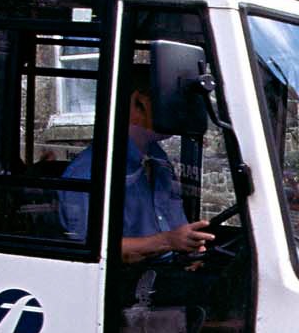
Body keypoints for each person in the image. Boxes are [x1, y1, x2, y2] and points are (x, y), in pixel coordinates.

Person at [59, 84, 213, 262]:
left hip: (167, 271)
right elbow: (91, 250)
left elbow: (176, 225)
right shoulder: (89, 171)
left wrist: (193, 248)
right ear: (137, 103)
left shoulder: (158, 160)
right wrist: (167, 241)